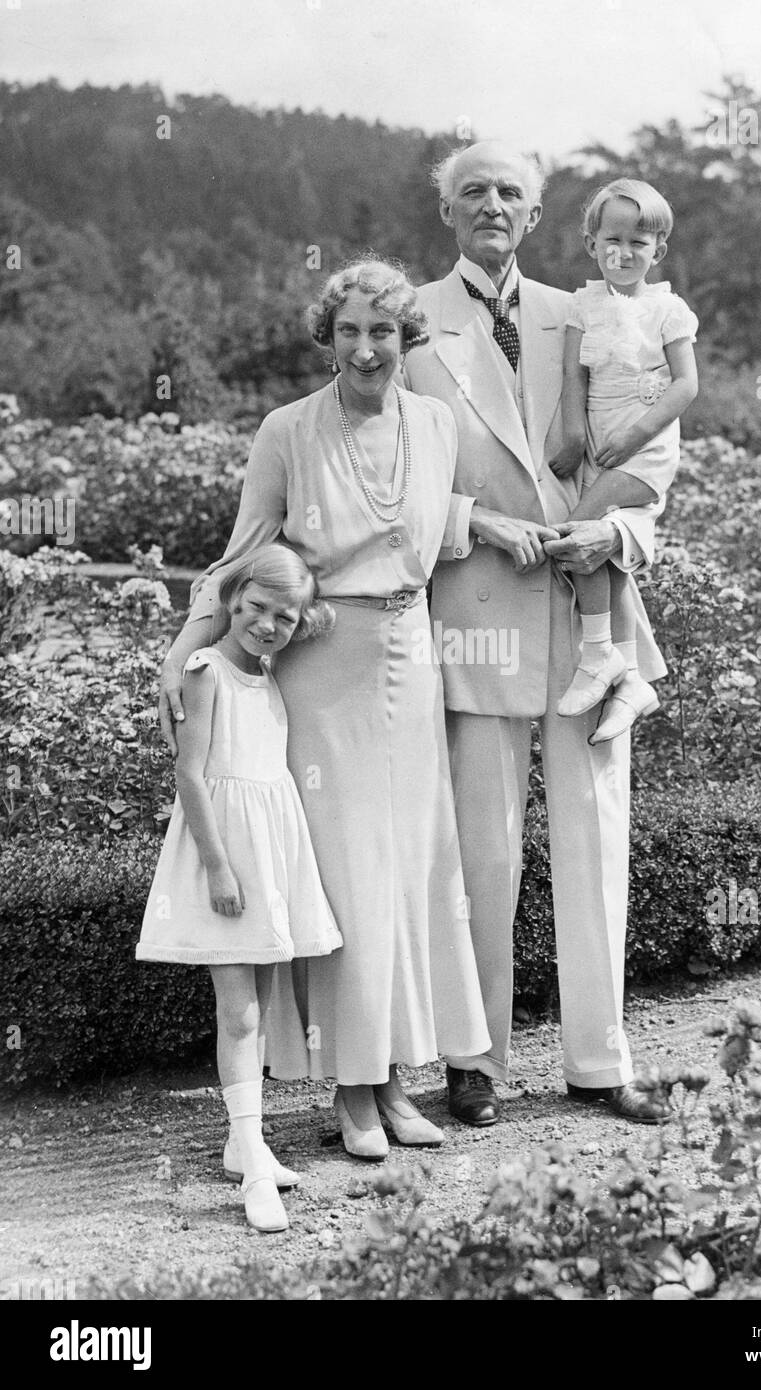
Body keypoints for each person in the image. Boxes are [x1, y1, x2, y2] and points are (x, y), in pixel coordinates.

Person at [159, 257, 492, 1163]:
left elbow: (433, 527)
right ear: (327, 336)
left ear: (405, 337)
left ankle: (394, 1081)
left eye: (381, 331)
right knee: (345, 876)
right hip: (324, 667)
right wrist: (183, 651)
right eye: (347, 331)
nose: (365, 348)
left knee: (412, 873)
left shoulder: (435, 422)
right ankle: (350, 1093)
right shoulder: (286, 430)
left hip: (413, 660)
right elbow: (243, 555)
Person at [405, 141, 671, 1126]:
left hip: (588, 609)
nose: (491, 203)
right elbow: (386, 483)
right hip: (476, 615)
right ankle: (473, 1064)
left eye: (509, 191)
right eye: (471, 190)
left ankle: (601, 1063)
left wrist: (618, 529)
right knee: (483, 847)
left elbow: (653, 451)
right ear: (446, 213)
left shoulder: (590, 314)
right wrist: (475, 522)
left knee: (598, 836)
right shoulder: (410, 323)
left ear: (536, 215)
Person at [139, 544, 343, 1233]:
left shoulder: (267, 674)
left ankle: (241, 1141)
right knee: (239, 1012)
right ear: (231, 601)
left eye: (285, 617)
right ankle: (255, 1164)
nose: (267, 625)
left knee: (257, 1005)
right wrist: (221, 868)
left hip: (268, 854)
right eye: (256, 608)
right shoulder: (207, 672)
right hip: (223, 856)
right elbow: (191, 778)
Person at [550, 178, 699, 737]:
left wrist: (636, 436)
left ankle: (598, 653)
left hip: (645, 446)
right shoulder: (581, 305)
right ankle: (633, 678)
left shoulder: (667, 309)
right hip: (596, 444)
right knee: (606, 547)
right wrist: (570, 437)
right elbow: (572, 374)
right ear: (592, 245)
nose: (625, 251)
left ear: (657, 252)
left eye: (640, 241)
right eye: (612, 239)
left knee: (580, 531)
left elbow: (686, 386)